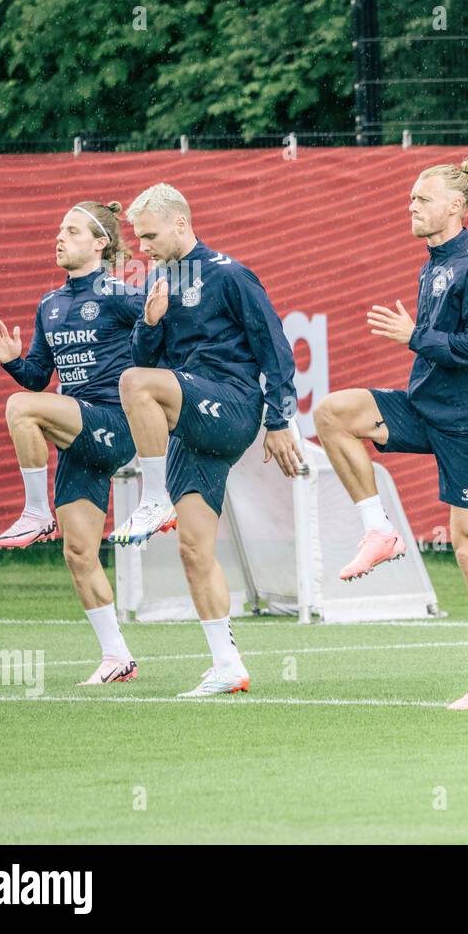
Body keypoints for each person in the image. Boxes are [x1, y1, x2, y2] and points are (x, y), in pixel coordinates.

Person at [314, 154, 468, 710]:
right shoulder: (435, 263)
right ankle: (377, 529)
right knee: (332, 413)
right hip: (426, 406)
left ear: (455, 205)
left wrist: (414, 335)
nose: (412, 206)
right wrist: (419, 339)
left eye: (422, 199)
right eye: (410, 199)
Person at [110, 183, 301, 698]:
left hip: (234, 404)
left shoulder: (229, 274)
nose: (142, 246)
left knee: (131, 385)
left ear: (179, 223)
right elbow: (148, 364)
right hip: (194, 420)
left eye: (149, 235)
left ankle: (151, 501)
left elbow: (276, 350)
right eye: (137, 237)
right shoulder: (160, 282)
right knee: (195, 549)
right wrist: (148, 325)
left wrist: (280, 421)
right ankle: (227, 666)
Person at [0, 201, 145, 684]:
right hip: (78, 435)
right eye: (58, 230)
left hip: (114, 424)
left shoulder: (119, 294)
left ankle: (35, 512)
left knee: (16, 408)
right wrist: (14, 361)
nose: (60, 238)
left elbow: (162, 331)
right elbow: (36, 379)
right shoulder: (49, 304)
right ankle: (118, 657)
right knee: (78, 553)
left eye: (72, 231)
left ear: (100, 244)